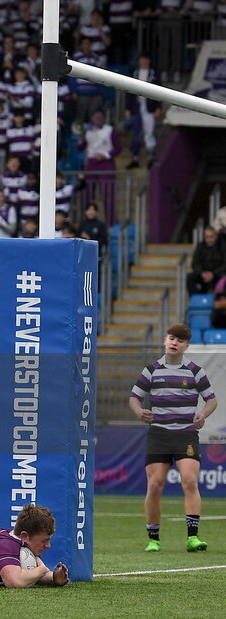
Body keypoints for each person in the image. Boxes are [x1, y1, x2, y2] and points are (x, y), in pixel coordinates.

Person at [129, 323, 217, 553]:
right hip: (159, 434)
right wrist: (139, 412)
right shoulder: (151, 370)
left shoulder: (196, 371)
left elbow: (211, 400)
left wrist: (203, 414)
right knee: (155, 485)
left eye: (179, 340)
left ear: (186, 345)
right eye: (171, 338)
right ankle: (154, 539)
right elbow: (134, 398)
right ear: (165, 341)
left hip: (186, 435)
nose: (174, 342)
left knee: (189, 481)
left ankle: (192, 538)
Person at [187, 227, 225, 296]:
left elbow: (225, 264)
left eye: (211, 237)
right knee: (190, 277)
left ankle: (219, 301)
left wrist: (213, 273)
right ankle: (195, 299)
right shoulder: (200, 246)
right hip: (203, 274)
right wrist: (202, 273)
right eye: (207, 237)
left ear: (216, 237)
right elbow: (195, 263)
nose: (209, 239)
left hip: (217, 274)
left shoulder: (222, 247)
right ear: (204, 237)